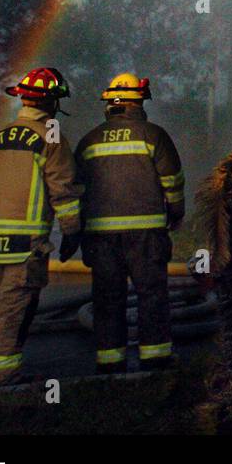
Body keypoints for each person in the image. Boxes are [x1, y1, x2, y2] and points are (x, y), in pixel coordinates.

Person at [0, 67, 83, 386]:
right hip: (27, 243)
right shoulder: (50, 135)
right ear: (51, 103)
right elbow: (63, 189)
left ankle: (6, 367)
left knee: (8, 303)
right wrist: (72, 230)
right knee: (14, 307)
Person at [75, 73, 184, 373]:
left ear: (109, 103)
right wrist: (176, 214)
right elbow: (172, 182)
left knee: (107, 298)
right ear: (139, 103)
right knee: (151, 295)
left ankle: (109, 363)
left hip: (101, 237)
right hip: (146, 235)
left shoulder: (89, 141)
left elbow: (77, 192)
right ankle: (156, 359)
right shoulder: (154, 135)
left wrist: (78, 232)